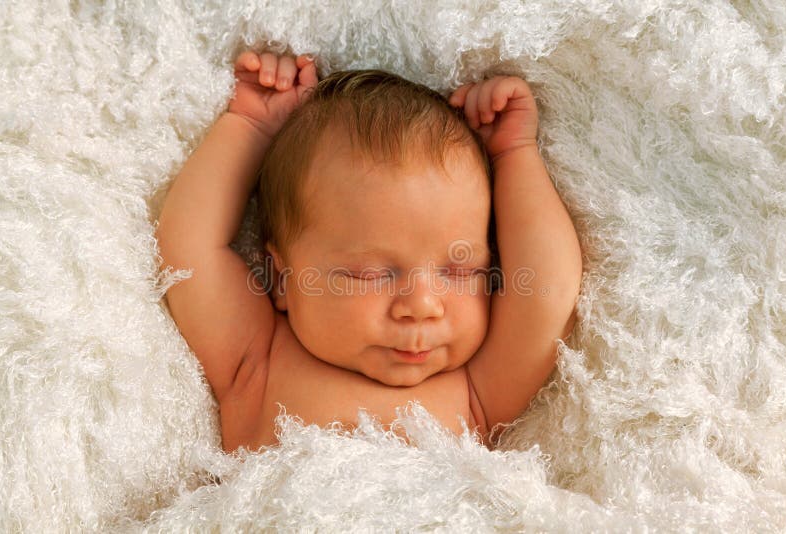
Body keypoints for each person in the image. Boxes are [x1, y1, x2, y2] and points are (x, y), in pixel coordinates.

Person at [155, 50, 582, 452]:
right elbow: (190, 248)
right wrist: (248, 128)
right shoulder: (256, 362)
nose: (421, 306)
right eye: (370, 274)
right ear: (282, 278)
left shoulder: (478, 391)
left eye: (461, 270)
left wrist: (514, 154)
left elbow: (547, 289)